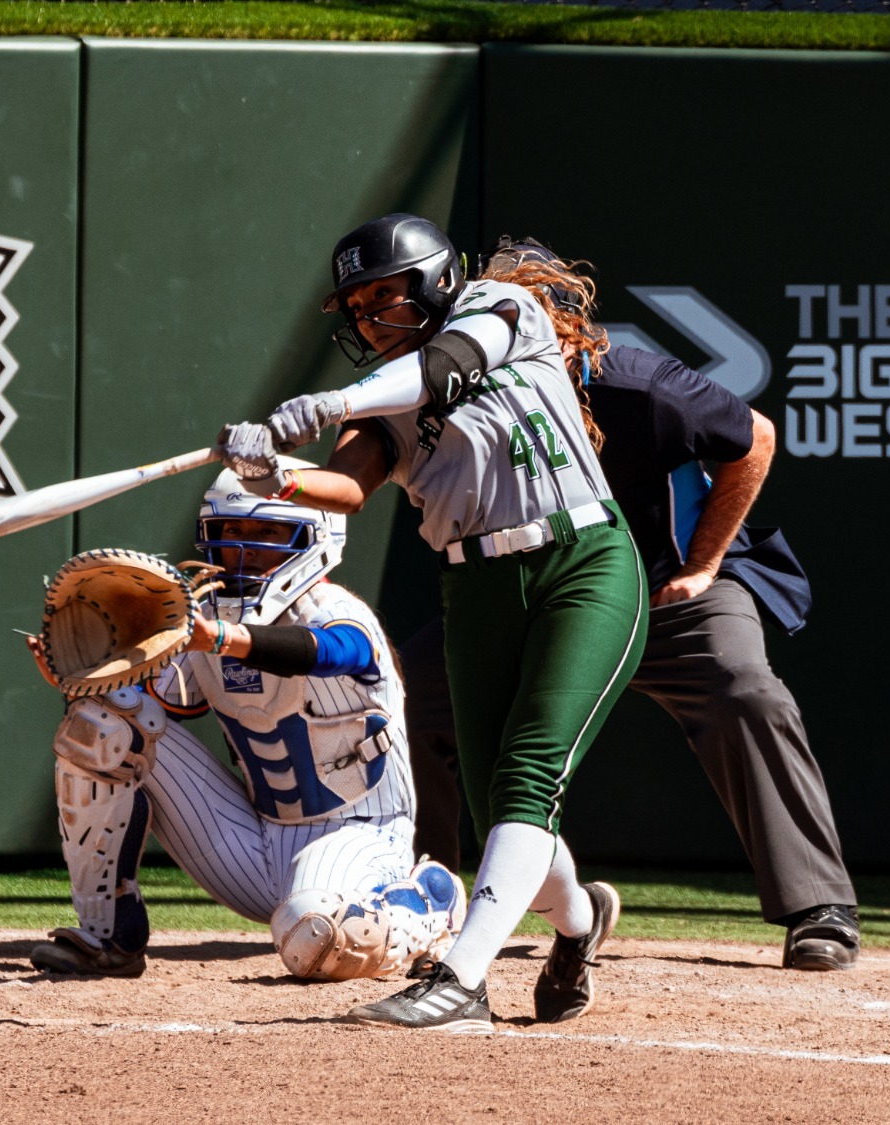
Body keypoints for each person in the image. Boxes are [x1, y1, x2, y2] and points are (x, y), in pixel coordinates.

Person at [217, 214, 647, 1032]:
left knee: (527, 777)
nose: (373, 316)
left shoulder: (499, 308)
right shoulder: (378, 401)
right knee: (504, 811)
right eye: (359, 306)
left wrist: (328, 400)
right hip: (475, 588)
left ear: (435, 280)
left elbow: (441, 369)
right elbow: (347, 485)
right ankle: (580, 921)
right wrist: (274, 473)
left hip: (582, 562)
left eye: (386, 295)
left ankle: (462, 981)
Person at [400, 242, 861, 971]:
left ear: (558, 328)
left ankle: (819, 905)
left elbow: (755, 439)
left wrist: (706, 564)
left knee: (742, 684)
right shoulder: (468, 397)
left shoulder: (640, 387)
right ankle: (428, 903)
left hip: (666, 587)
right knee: (420, 683)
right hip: (545, 592)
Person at [24, 462, 465, 982]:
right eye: (232, 530)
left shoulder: (334, 610)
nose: (245, 547)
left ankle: (433, 905)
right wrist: (81, 680)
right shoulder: (205, 616)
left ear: (314, 537)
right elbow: (149, 704)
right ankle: (107, 936)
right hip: (254, 840)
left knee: (315, 939)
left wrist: (221, 639)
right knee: (99, 724)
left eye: (267, 532)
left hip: (358, 837)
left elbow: (329, 651)